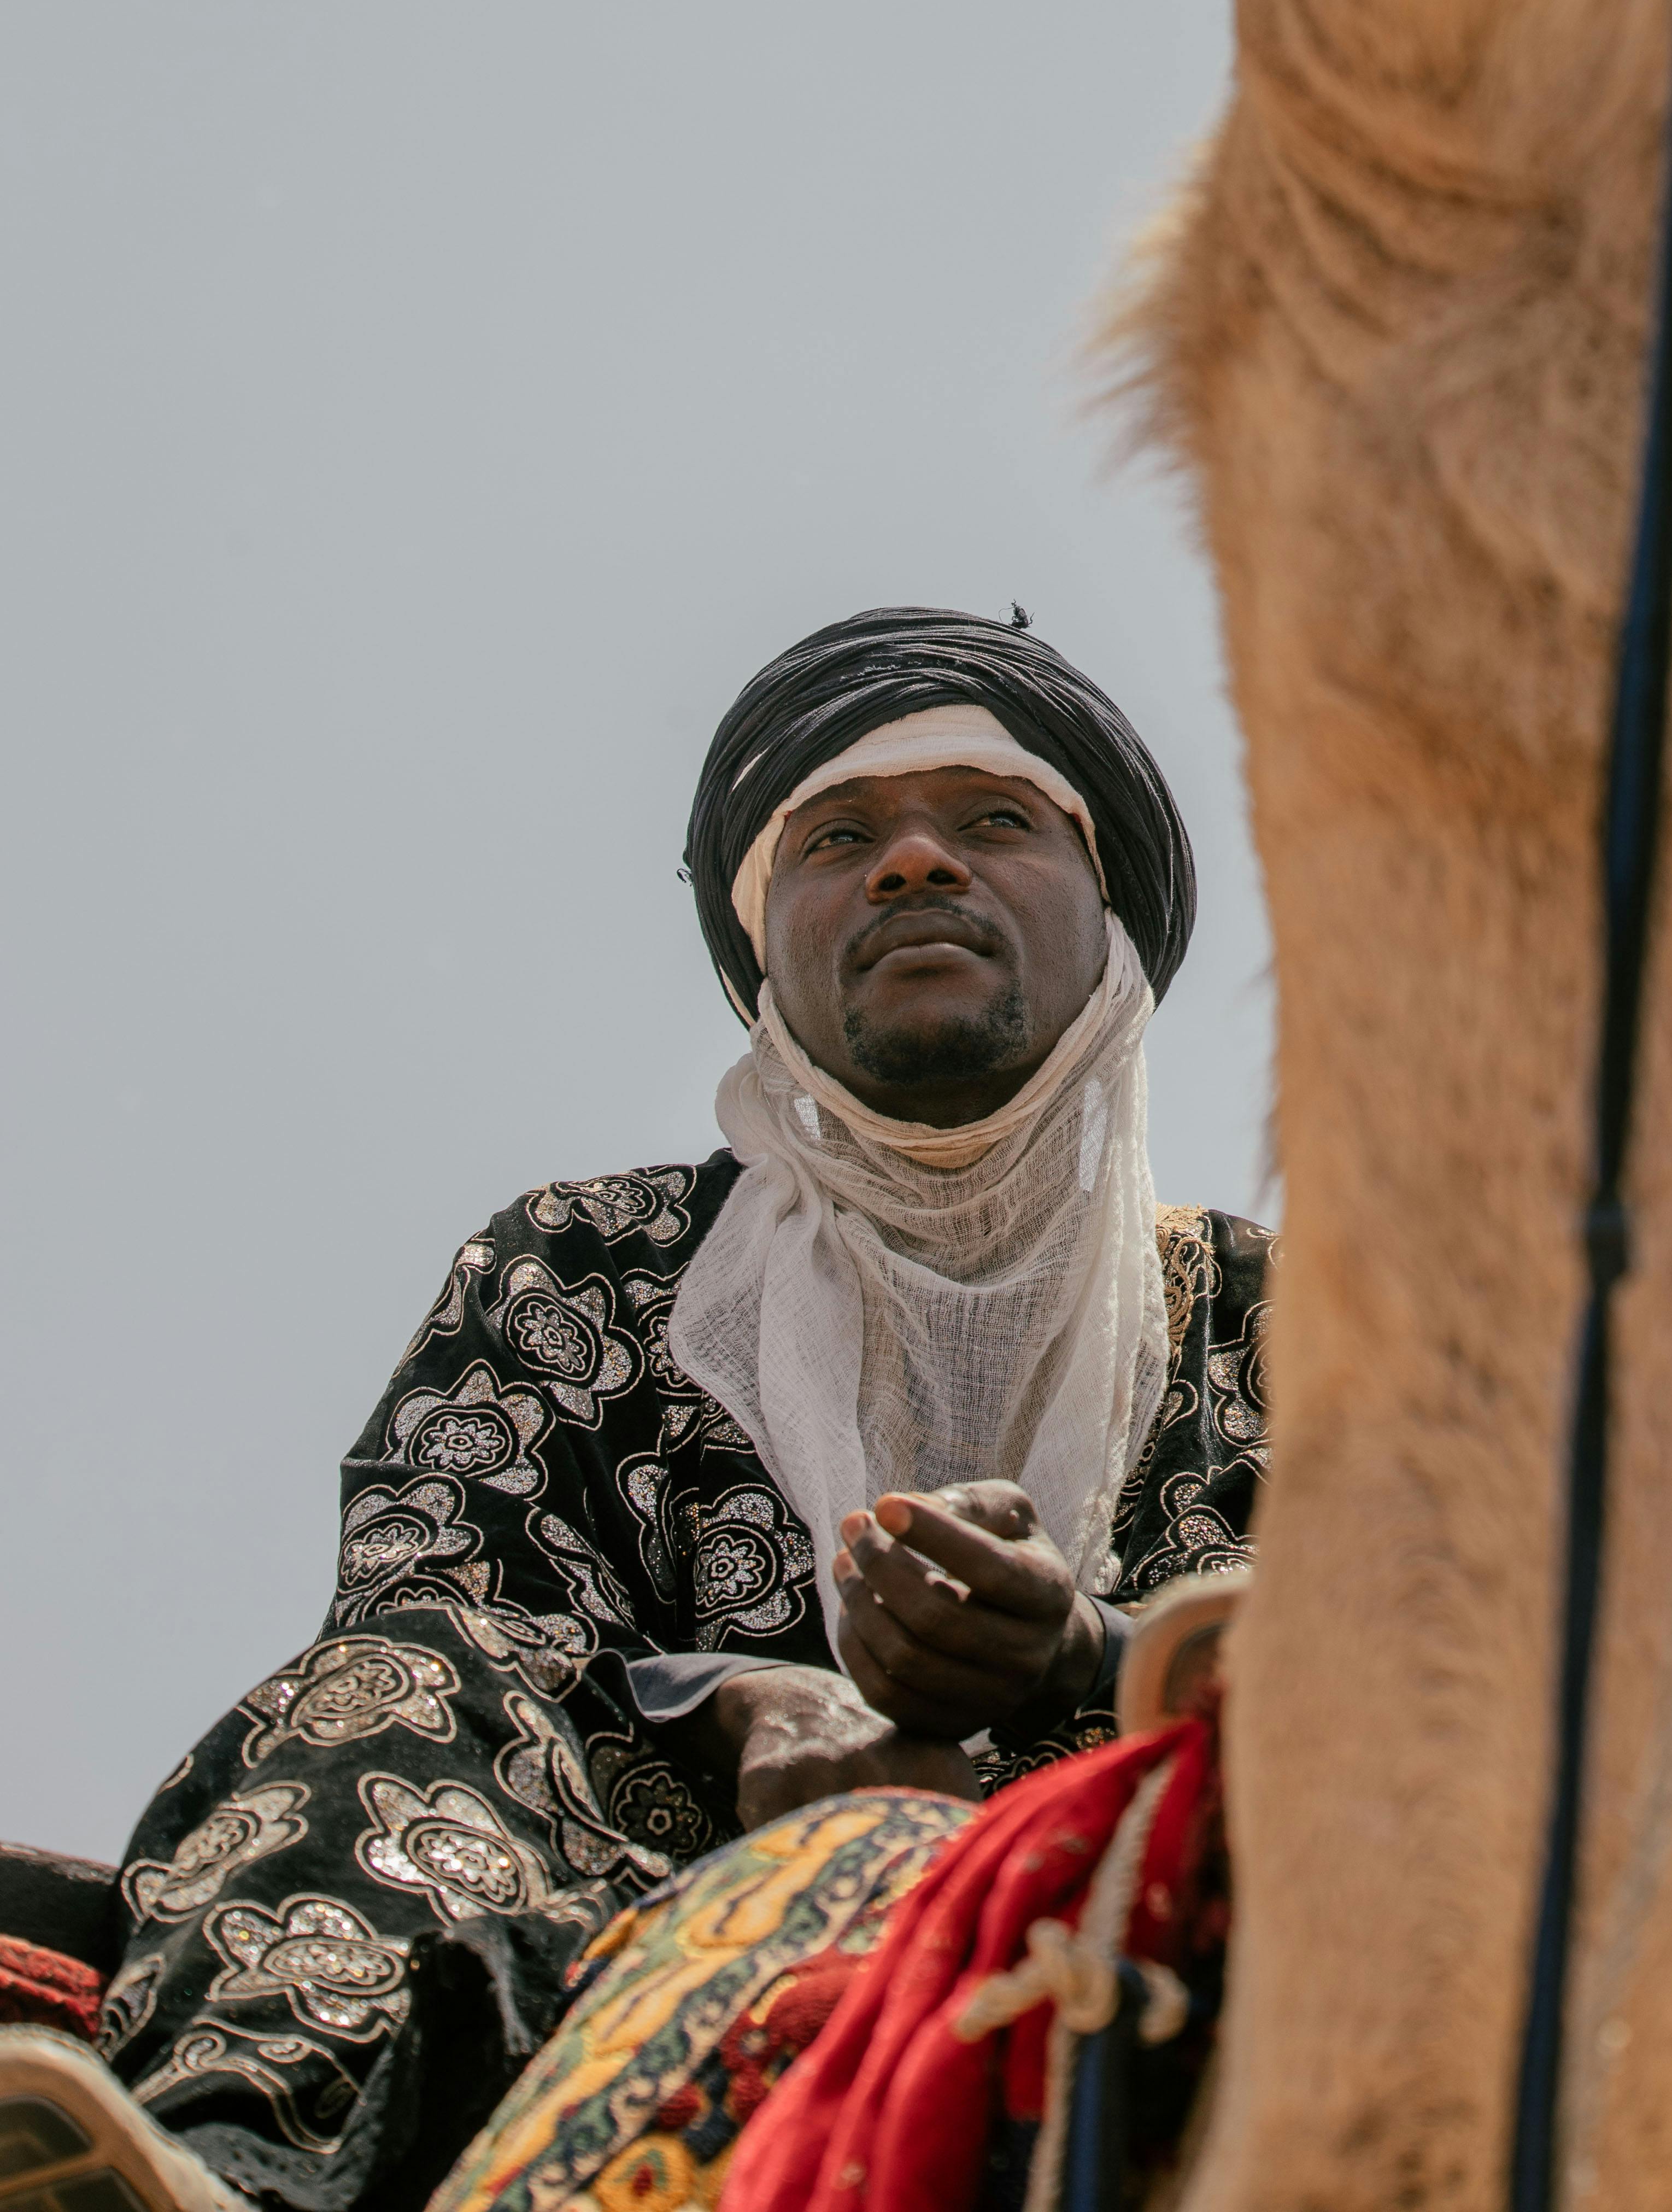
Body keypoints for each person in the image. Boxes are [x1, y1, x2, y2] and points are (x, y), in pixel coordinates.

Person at [1, 610, 1269, 2212]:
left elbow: (1410, 1665)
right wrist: (742, 1704)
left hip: (1124, 1901)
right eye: (840, 837)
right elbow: (441, 1601)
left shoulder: (1286, 1317)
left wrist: (1080, 1651)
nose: (913, 866)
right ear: (764, 961)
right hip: (618, 1885)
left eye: (998, 818)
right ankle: (225, 2172)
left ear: (1113, 922)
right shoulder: (589, 1265)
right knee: (397, 1684)